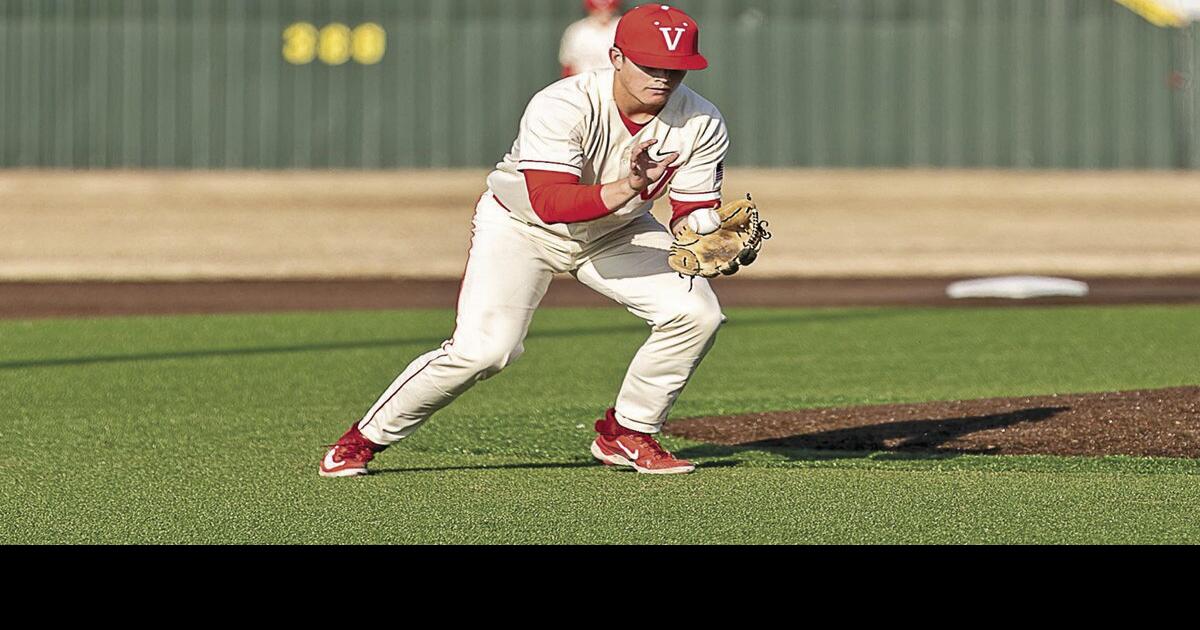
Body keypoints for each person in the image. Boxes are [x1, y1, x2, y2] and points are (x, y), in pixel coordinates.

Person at [321, 3, 728, 477]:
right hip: (521, 227)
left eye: (676, 67)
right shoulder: (564, 103)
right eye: (650, 64)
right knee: (484, 351)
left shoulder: (701, 120)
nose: (663, 77)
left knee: (696, 313)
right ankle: (364, 438)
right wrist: (629, 186)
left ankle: (628, 431)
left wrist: (703, 234)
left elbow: (690, 207)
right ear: (616, 57)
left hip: (618, 231)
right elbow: (549, 202)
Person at [559, 0, 623, 77]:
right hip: (584, 81)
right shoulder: (577, 31)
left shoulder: (623, 26)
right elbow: (568, 66)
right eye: (598, 11)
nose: (603, 13)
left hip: (616, 81)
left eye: (608, 10)